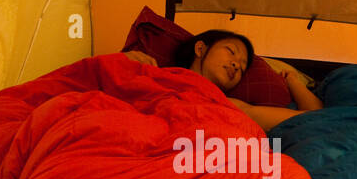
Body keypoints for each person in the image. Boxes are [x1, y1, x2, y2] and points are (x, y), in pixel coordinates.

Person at [123, 30, 323, 129]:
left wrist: (294, 82)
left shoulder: (228, 106)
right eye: (231, 52)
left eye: (243, 67)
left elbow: (315, 118)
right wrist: (125, 60)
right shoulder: (154, 74)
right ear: (200, 48)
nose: (237, 65)